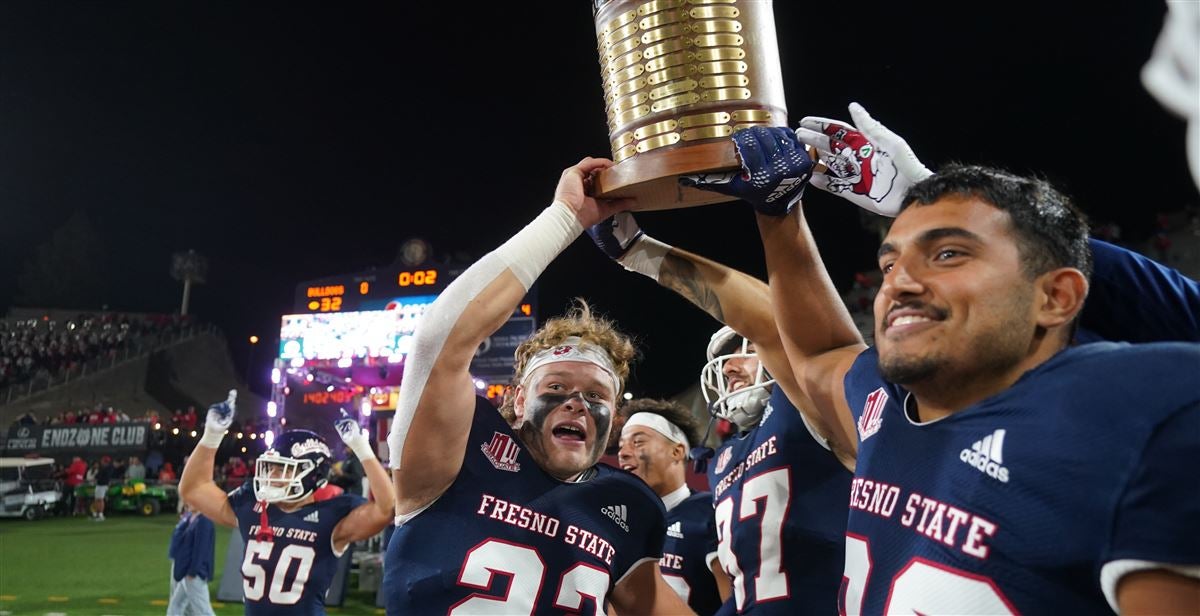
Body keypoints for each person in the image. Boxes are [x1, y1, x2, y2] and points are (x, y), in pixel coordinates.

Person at [689, 124, 1200, 613]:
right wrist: (778, 213)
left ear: (1055, 296)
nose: (900, 283)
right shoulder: (884, 398)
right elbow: (819, 354)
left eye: (948, 254)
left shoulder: (1139, 407)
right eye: (889, 264)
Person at [382, 157, 691, 614]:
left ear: (614, 418)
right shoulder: (460, 454)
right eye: (557, 388)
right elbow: (438, 341)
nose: (577, 406)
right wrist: (565, 218)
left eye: (595, 397)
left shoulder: (626, 505)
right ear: (519, 398)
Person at [588, 214, 853, 613]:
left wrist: (641, 253)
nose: (729, 367)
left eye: (743, 351)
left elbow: (770, 321)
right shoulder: (726, 456)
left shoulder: (808, 413)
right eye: (724, 358)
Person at [179, 392, 394, 615]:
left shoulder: (332, 518)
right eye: (270, 466)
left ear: (312, 475)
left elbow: (386, 508)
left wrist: (361, 447)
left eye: (282, 468)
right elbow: (193, 489)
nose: (271, 474)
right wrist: (212, 435)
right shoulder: (254, 507)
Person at [616, 398, 730, 615]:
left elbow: (737, 604)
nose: (623, 453)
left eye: (638, 442)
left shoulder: (711, 513)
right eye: (621, 445)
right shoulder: (619, 523)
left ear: (677, 452)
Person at [167, 501, 216, 615]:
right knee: (176, 604)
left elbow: (201, 549)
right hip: (186, 572)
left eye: (192, 500)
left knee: (203, 611)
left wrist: (192, 572)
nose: (188, 503)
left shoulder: (204, 521)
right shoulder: (192, 518)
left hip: (194, 574)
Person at [92, 455, 116, 521]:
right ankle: (97, 514)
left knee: (101, 499)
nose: (101, 461)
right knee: (97, 499)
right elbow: (97, 476)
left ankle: (101, 514)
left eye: (103, 460)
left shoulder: (108, 468)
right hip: (99, 485)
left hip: (103, 485)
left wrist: (97, 478)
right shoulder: (103, 468)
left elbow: (104, 477)